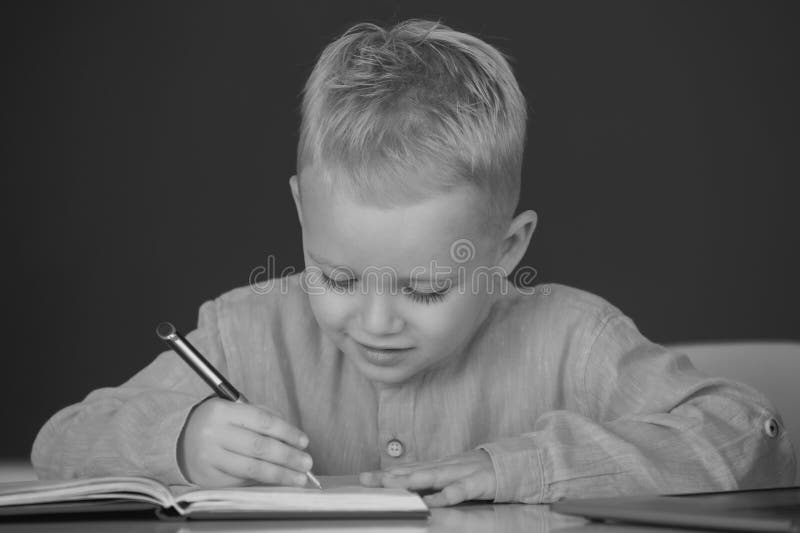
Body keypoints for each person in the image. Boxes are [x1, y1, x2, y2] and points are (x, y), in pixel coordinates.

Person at [31, 19, 795, 507]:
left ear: (508, 250)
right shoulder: (243, 330)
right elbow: (61, 440)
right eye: (335, 277)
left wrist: (523, 465)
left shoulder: (573, 337)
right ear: (301, 214)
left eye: (427, 287)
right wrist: (184, 439)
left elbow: (749, 433)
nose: (374, 322)